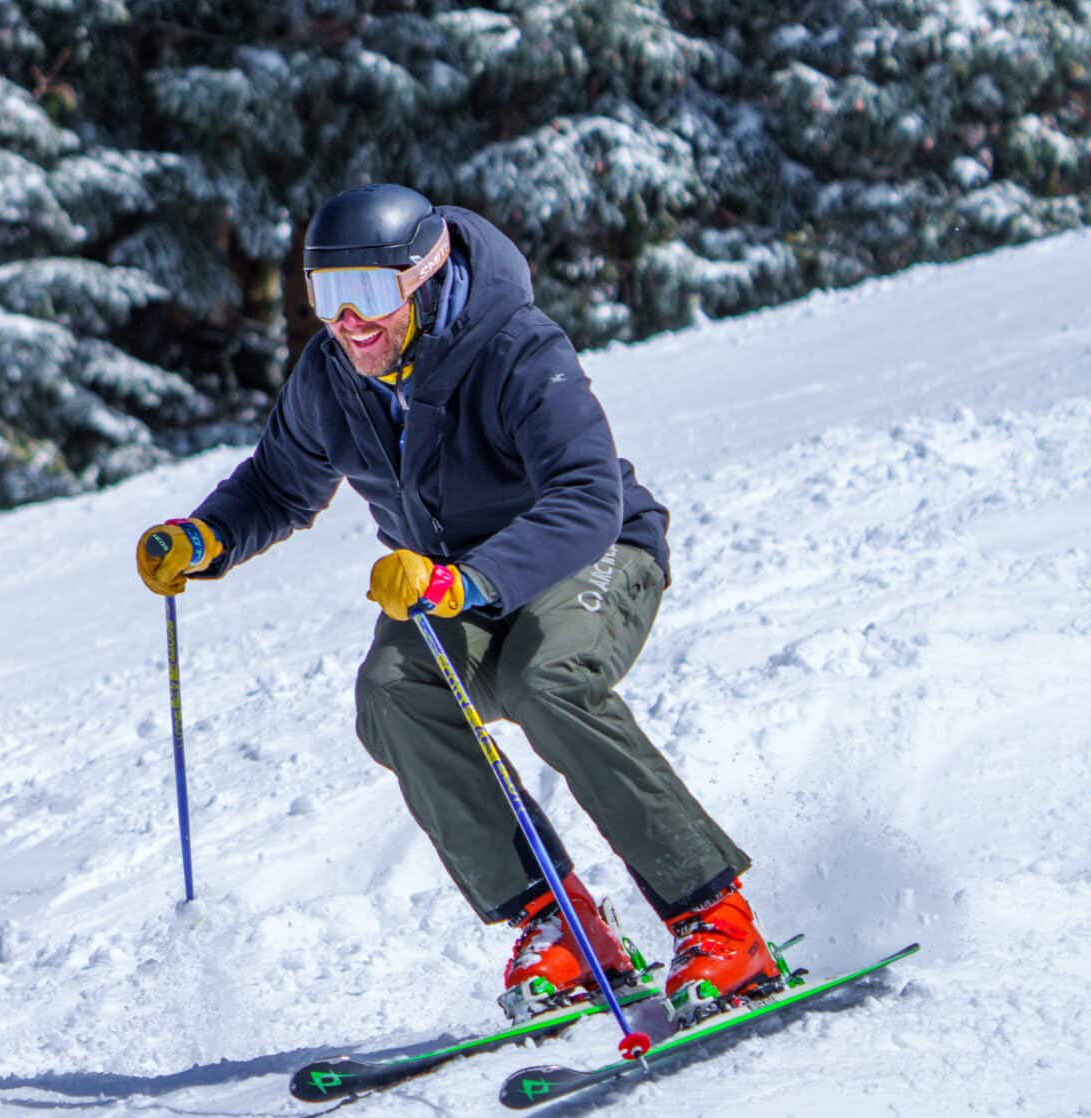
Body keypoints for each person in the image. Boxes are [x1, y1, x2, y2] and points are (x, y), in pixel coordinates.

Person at [136, 183, 776, 1022]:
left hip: (592, 551)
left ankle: (718, 922)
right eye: (326, 297)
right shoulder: (333, 373)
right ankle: (561, 924)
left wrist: (463, 582)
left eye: (365, 295)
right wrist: (207, 538)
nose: (346, 321)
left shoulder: (514, 347)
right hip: (454, 582)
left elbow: (587, 496)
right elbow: (277, 481)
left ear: (424, 277)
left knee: (545, 679)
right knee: (393, 693)